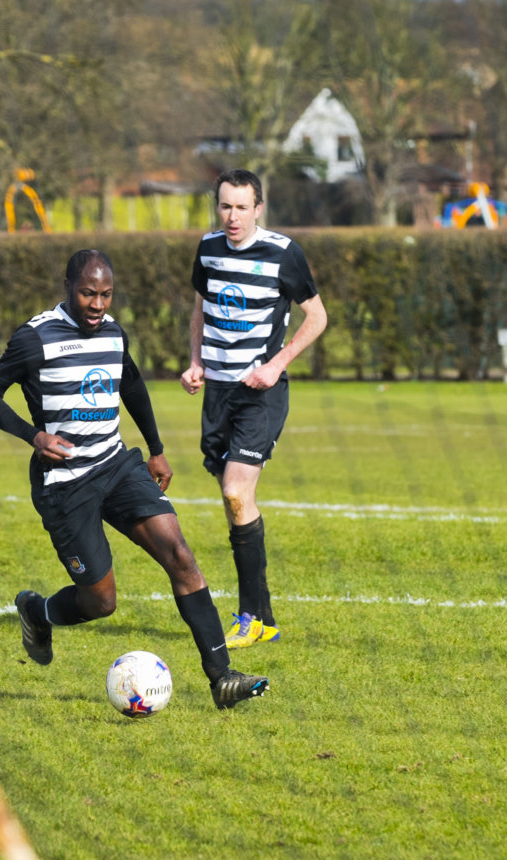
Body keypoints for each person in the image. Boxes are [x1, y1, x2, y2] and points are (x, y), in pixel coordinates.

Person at [0, 248, 268, 710]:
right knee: (101, 602)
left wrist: (155, 449)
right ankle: (39, 611)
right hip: (65, 483)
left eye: (106, 294)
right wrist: (33, 435)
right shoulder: (35, 338)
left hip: (116, 465)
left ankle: (222, 679)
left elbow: (130, 384)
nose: (98, 304)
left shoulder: (114, 333)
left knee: (181, 556)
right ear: (68, 287)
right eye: (88, 293)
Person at [180, 168, 326, 650]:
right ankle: (263, 618)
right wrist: (196, 362)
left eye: (242, 207)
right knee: (235, 503)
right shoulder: (207, 248)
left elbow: (317, 317)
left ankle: (248, 617)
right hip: (217, 395)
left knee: (236, 490)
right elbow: (200, 308)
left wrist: (276, 363)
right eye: (225, 206)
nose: (233, 216)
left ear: (258, 208)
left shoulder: (284, 253)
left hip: (260, 394)